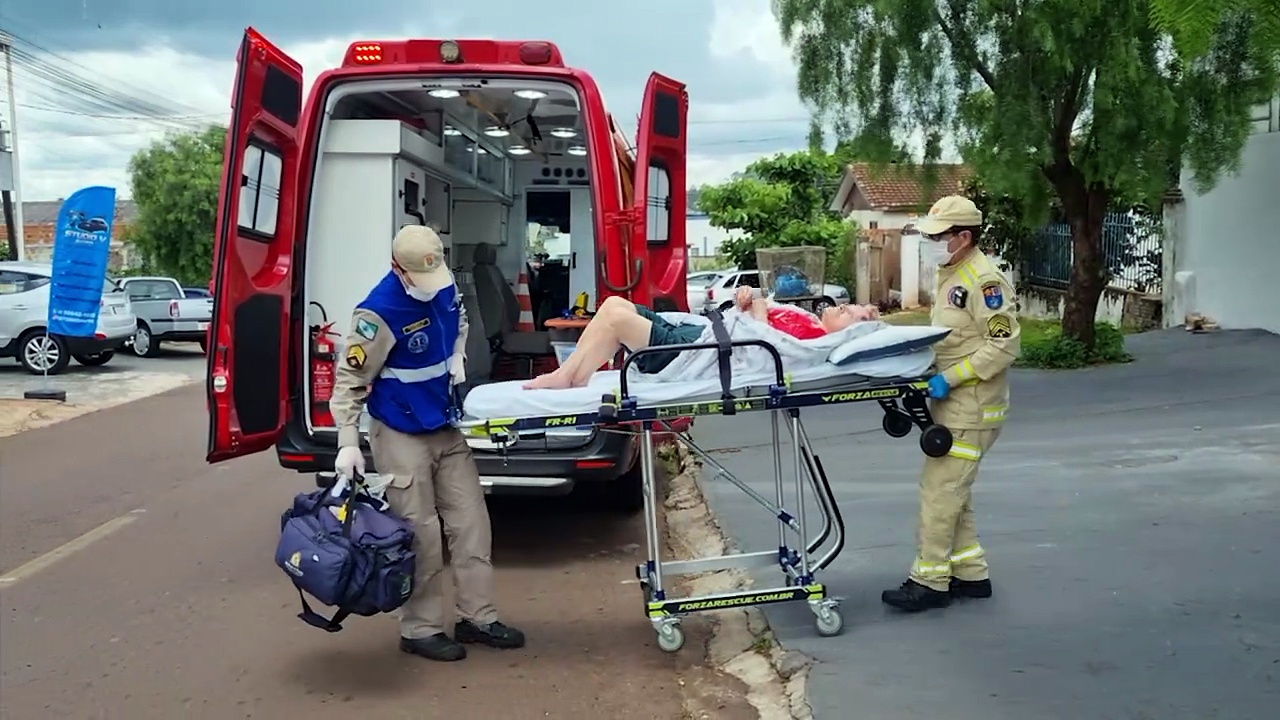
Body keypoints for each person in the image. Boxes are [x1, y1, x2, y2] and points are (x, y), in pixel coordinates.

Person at [330, 225, 526, 661]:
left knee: (472, 525)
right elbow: (350, 381)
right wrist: (348, 441)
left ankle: (479, 617)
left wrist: (457, 355)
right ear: (399, 269)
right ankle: (420, 629)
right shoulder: (377, 313)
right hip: (400, 432)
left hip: (444, 425)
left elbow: (458, 318)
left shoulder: (441, 284)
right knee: (420, 536)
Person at [881, 195, 1021, 613]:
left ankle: (929, 582)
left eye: (938, 237)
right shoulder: (953, 274)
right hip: (957, 404)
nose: (931, 243)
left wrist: (949, 378)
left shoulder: (984, 281)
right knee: (955, 492)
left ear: (964, 236)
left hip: (973, 407)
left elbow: (1005, 345)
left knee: (940, 493)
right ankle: (970, 574)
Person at [523, 289, 879, 390]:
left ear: (845, 333)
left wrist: (754, 307)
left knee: (616, 318)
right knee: (615, 303)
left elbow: (760, 348)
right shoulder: (809, 322)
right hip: (701, 336)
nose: (845, 307)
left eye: (851, 314)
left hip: (694, 353)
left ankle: (565, 375)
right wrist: (749, 298)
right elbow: (758, 317)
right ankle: (575, 374)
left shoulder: (809, 339)